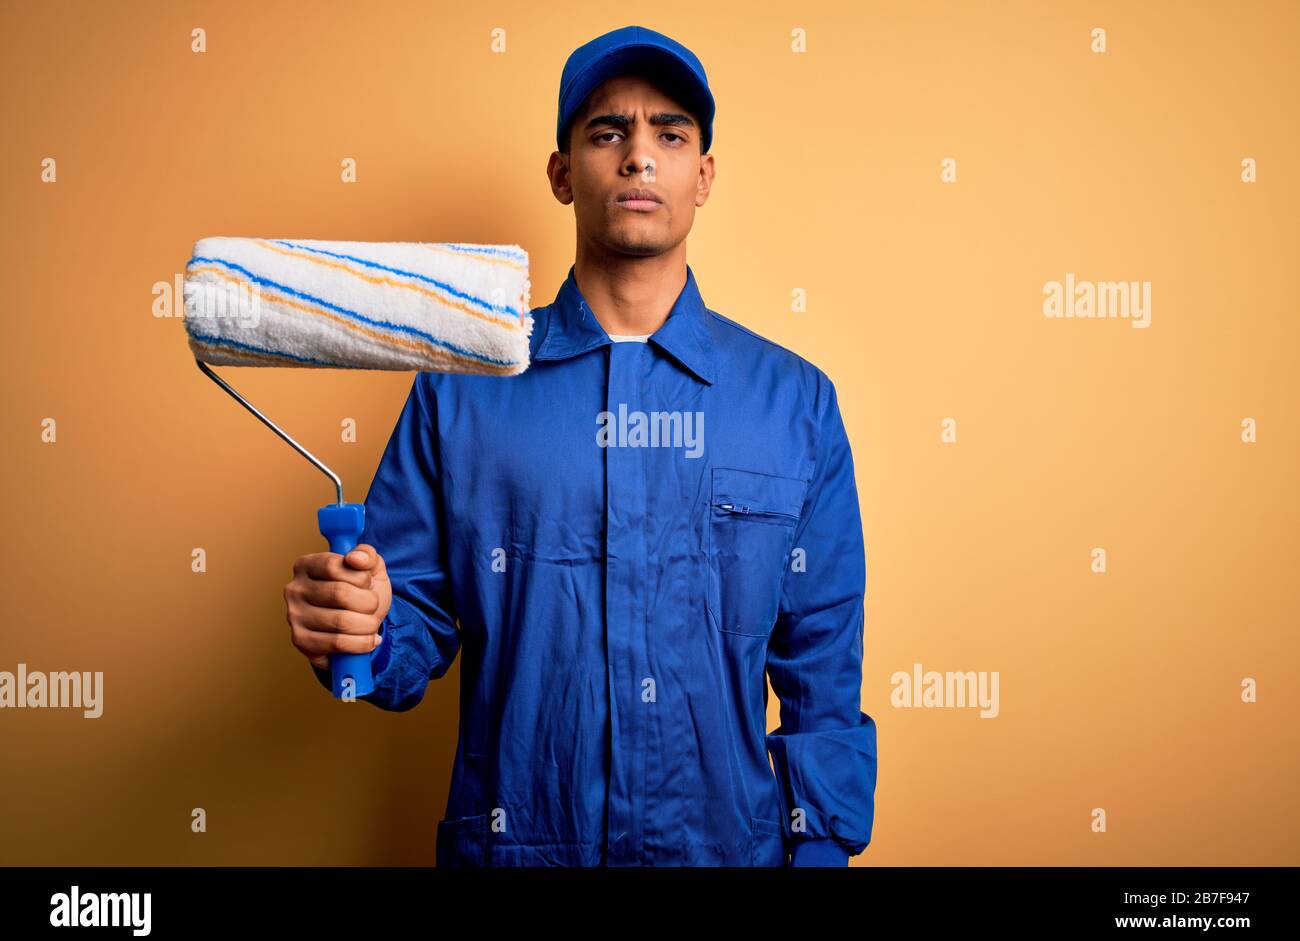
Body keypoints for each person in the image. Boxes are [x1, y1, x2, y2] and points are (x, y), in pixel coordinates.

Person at [283, 24, 877, 867]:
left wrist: (818, 853)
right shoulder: (460, 391)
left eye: (670, 134)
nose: (640, 157)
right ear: (562, 173)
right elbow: (403, 632)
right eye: (608, 132)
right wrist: (360, 630)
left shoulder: (794, 404)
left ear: (703, 176)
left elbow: (823, 669)